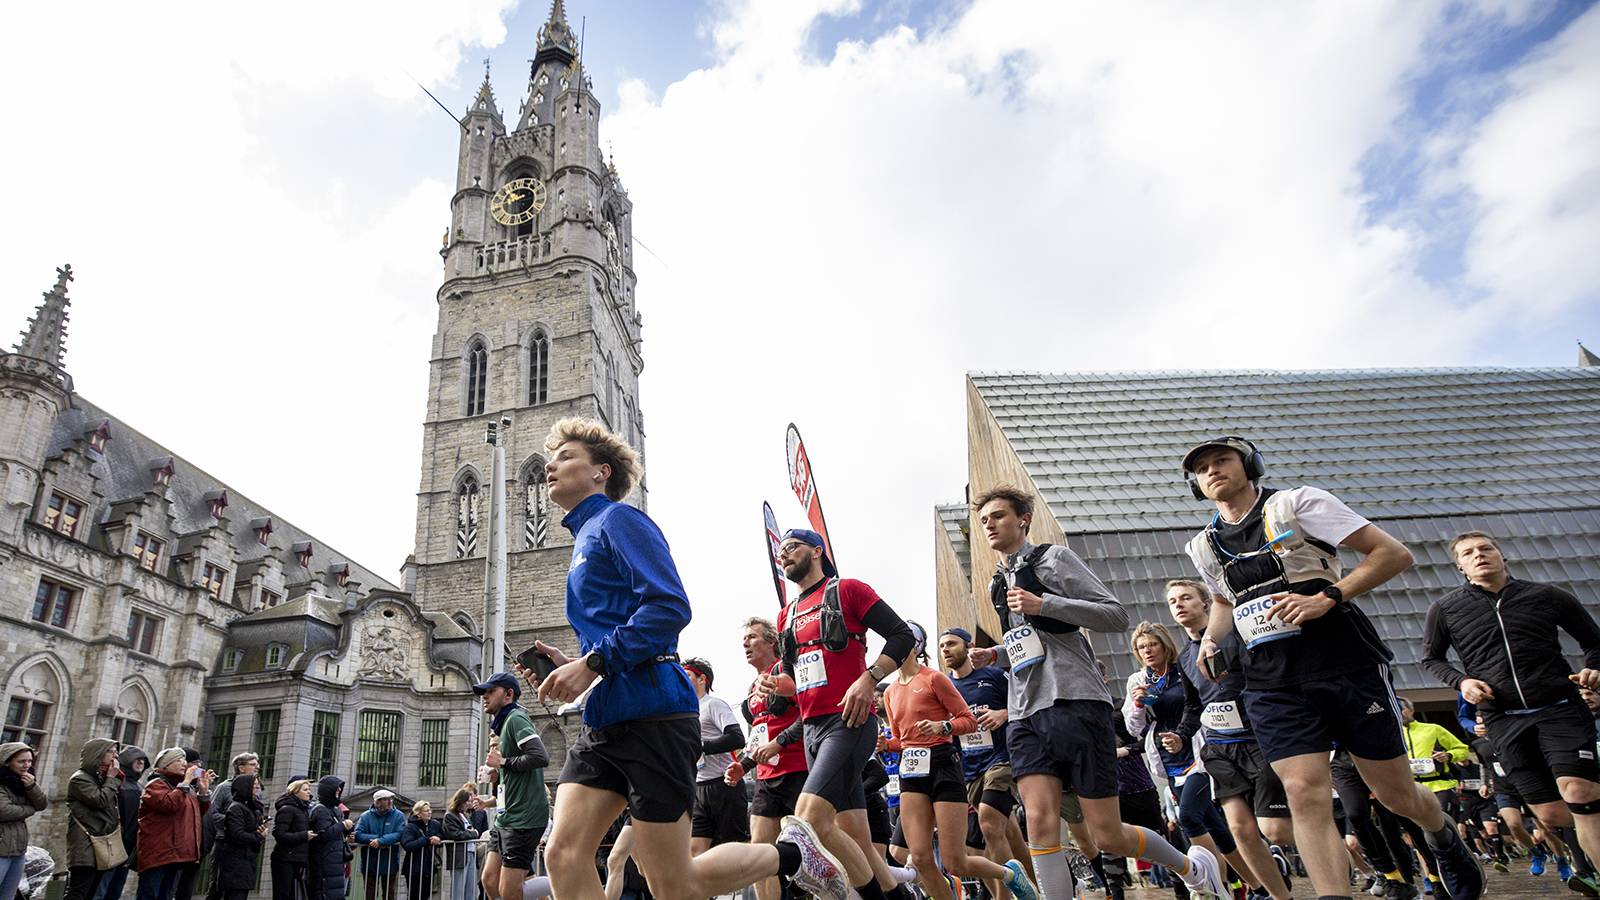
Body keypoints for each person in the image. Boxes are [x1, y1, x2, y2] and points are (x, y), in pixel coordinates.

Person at [524, 418, 845, 900]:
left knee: (675, 883)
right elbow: (621, 635)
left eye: (567, 456)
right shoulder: (583, 536)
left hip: (655, 714)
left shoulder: (619, 520)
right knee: (563, 855)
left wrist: (591, 665)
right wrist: (577, 661)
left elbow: (670, 607)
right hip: (606, 717)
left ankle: (792, 855)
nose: (551, 465)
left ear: (600, 473)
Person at [1180, 436, 1483, 900]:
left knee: (1396, 794)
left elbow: (1393, 554)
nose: (1213, 471)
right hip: (1269, 680)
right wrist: (1212, 639)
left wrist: (1328, 597)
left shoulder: (1298, 503)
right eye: (1202, 468)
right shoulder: (1203, 546)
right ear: (1196, 484)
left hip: (1344, 664)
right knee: (1302, 792)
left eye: (1222, 460)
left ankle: (1442, 834)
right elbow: (1223, 599)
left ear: (1251, 465)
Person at [963, 486, 1227, 900]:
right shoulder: (997, 582)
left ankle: (1192, 869)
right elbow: (1027, 644)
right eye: (984, 521)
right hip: (1025, 711)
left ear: (1023, 519)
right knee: (1039, 821)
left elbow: (1115, 616)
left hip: (1076, 700)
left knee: (1108, 834)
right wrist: (993, 654)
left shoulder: (1053, 559)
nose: (989, 525)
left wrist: (1045, 602)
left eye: (997, 516)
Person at [1422, 529, 1600, 893]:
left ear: (1503, 556)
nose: (1479, 555)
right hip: (1503, 719)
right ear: (1460, 566)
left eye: (1486, 548)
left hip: (1560, 707)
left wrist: (1594, 668)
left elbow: (1593, 642)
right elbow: (1432, 658)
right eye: (1469, 552)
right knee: (1552, 814)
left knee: (1579, 792)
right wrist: (1461, 682)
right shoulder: (1445, 609)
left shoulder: (1546, 596)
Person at [755, 527, 921, 900]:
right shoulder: (785, 616)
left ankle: (823, 886)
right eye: (780, 551)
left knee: (807, 817)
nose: (783, 555)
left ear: (817, 551)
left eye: (792, 547)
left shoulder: (848, 590)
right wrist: (778, 684)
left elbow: (901, 635)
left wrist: (869, 678)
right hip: (812, 730)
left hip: (847, 722)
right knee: (854, 842)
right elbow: (793, 675)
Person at [881, 620, 1036, 900]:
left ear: (914, 646)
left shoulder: (934, 679)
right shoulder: (891, 692)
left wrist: (945, 727)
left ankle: (1011, 876)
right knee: (920, 858)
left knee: (956, 862)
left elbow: (967, 720)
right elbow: (901, 740)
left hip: (945, 765)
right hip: (913, 772)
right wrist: (885, 744)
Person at [1161, 580, 1295, 900]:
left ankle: (1334, 855)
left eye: (1185, 598)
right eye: (1172, 602)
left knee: (1276, 831)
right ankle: (1275, 895)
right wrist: (1181, 736)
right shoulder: (1183, 658)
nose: (1178, 605)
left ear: (1207, 603)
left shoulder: (1236, 635)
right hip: (1220, 746)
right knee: (1238, 829)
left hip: (1259, 737)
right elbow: (1195, 706)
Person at [1123, 620, 1266, 897]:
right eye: (1141, 648)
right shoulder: (1137, 680)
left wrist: (1183, 734)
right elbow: (1133, 728)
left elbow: (1199, 704)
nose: (1148, 651)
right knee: (1213, 824)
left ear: (1165, 646)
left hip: (1199, 750)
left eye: (1152, 644)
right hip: (1167, 757)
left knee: (1189, 816)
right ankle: (1257, 886)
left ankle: (1217, 887)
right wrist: (1139, 705)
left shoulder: (1184, 670)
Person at [938, 627, 1036, 898]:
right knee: (1010, 833)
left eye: (952, 643)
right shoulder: (944, 687)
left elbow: (1025, 702)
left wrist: (1003, 713)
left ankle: (1008, 896)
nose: (945, 649)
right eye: (942, 645)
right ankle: (1039, 889)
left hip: (1001, 759)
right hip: (969, 768)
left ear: (968, 647)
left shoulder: (993, 676)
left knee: (990, 824)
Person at [724, 617, 808, 900]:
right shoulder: (751, 689)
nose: (745, 644)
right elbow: (758, 738)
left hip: (801, 772)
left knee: (817, 853)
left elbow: (810, 718)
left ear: (771, 641)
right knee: (760, 857)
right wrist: (743, 765)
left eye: (752, 637)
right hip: (766, 779)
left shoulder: (787, 673)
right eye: (743, 640)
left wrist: (779, 744)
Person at [473, 672, 548, 900]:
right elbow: (516, 768)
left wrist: (503, 762)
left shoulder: (516, 718)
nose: (484, 697)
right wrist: (498, 771)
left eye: (490, 691)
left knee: (509, 891)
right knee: (489, 880)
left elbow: (540, 757)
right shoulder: (503, 724)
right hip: (505, 817)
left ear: (508, 694)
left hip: (523, 818)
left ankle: (562, 881)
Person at [682, 657, 749, 854]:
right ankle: (709, 886)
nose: (682, 681)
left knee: (735, 849)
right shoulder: (685, 712)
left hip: (724, 784)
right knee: (695, 852)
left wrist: (700, 747)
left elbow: (737, 739)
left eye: (687, 676)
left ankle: (749, 885)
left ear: (702, 679)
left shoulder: (713, 704)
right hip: (698, 787)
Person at [136, 748, 214, 900]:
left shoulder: (185, 788)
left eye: (184, 760)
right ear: (165, 765)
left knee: (165, 895)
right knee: (150, 894)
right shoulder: (156, 784)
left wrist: (203, 793)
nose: (183, 764)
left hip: (175, 854)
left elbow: (196, 813)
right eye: (178, 760)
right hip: (158, 853)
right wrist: (185, 782)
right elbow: (168, 804)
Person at [67, 738, 123, 900]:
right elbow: (100, 801)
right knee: (78, 891)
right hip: (86, 844)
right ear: (98, 754)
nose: (116, 755)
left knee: (92, 892)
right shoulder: (80, 778)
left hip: (101, 841)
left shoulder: (102, 778)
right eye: (111, 751)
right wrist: (111, 779)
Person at [203, 753, 260, 900]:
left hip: (245, 845)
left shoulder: (255, 789)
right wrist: (234, 822)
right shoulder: (224, 787)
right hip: (224, 841)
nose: (257, 767)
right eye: (253, 764)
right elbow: (211, 813)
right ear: (241, 768)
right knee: (217, 886)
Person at [96, 746, 149, 900]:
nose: (140, 763)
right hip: (112, 843)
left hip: (129, 846)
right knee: (101, 889)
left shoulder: (140, 787)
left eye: (143, 761)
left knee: (115, 889)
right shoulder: (115, 783)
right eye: (137, 759)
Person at [0, 742, 48, 900]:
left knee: (8, 895)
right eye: (21, 761)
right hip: (1, 849)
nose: (26, 765)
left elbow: (41, 804)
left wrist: (31, 786)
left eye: (29, 761)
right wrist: (29, 809)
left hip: (18, 850)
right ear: (7, 761)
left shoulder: (25, 781)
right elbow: (4, 811)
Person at [216, 774, 267, 900]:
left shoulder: (252, 808)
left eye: (258, 787)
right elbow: (237, 834)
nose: (258, 790)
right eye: (254, 787)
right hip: (236, 863)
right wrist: (258, 836)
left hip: (246, 861)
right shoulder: (236, 808)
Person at [355, 790, 408, 900]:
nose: (390, 802)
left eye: (390, 799)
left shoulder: (398, 815)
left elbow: (400, 833)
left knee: (389, 893)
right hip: (370, 861)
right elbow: (358, 834)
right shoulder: (365, 816)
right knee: (370, 893)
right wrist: (375, 839)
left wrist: (381, 841)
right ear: (377, 802)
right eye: (386, 799)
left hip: (390, 861)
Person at [271, 780, 317, 900]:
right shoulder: (287, 809)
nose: (309, 793)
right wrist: (304, 836)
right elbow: (279, 834)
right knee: (283, 894)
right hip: (285, 860)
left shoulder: (303, 810)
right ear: (295, 792)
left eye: (309, 789)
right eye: (305, 790)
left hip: (297, 860)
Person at [307, 777, 352, 900]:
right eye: (336, 790)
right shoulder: (320, 810)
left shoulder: (335, 810)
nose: (338, 792)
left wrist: (347, 829)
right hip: (325, 861)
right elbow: (324, 834)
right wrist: (342, 825)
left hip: (335, 861)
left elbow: (336, 831)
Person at [440, 785, 482, 900]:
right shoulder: (450, 815)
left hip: (470, 853)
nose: (469, 804)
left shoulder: (465, 815)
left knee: (471, 889)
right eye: (467, 801)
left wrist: (471, 833)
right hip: (459, 856)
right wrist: (473, 833)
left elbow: (465, 832)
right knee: (458, 889)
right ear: (461, 801)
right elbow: (455, 834)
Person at [400, 801, 443, 900]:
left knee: (425, 895)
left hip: (429, 866)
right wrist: (426, 840)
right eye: (426, 811)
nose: (430, 812)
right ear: (418, 813)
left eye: (430, 810)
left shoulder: (435, 824)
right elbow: (407, 845)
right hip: (413, 868)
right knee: (413, 896)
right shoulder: (410, 827)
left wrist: (438, 838)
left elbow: (443, 834)